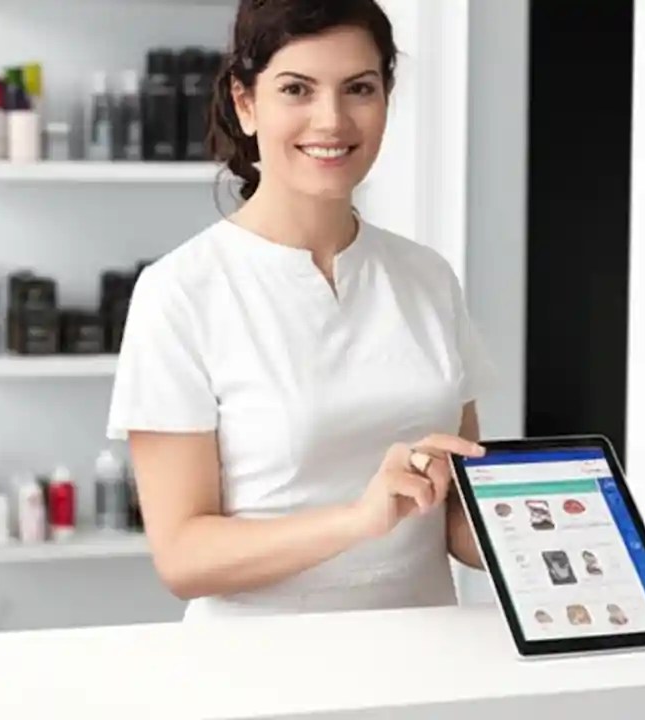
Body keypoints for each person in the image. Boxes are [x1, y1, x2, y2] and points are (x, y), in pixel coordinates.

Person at [106, 0, 495, 621]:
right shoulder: (180, 291)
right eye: (297, 89)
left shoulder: (428, 278)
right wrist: (359, 521)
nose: (332, 120)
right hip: (262, 674)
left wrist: (557, 528)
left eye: (360, 88)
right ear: (246, 101)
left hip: (426, 661)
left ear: (387, 98)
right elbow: (183, 556)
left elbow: (455, 513)